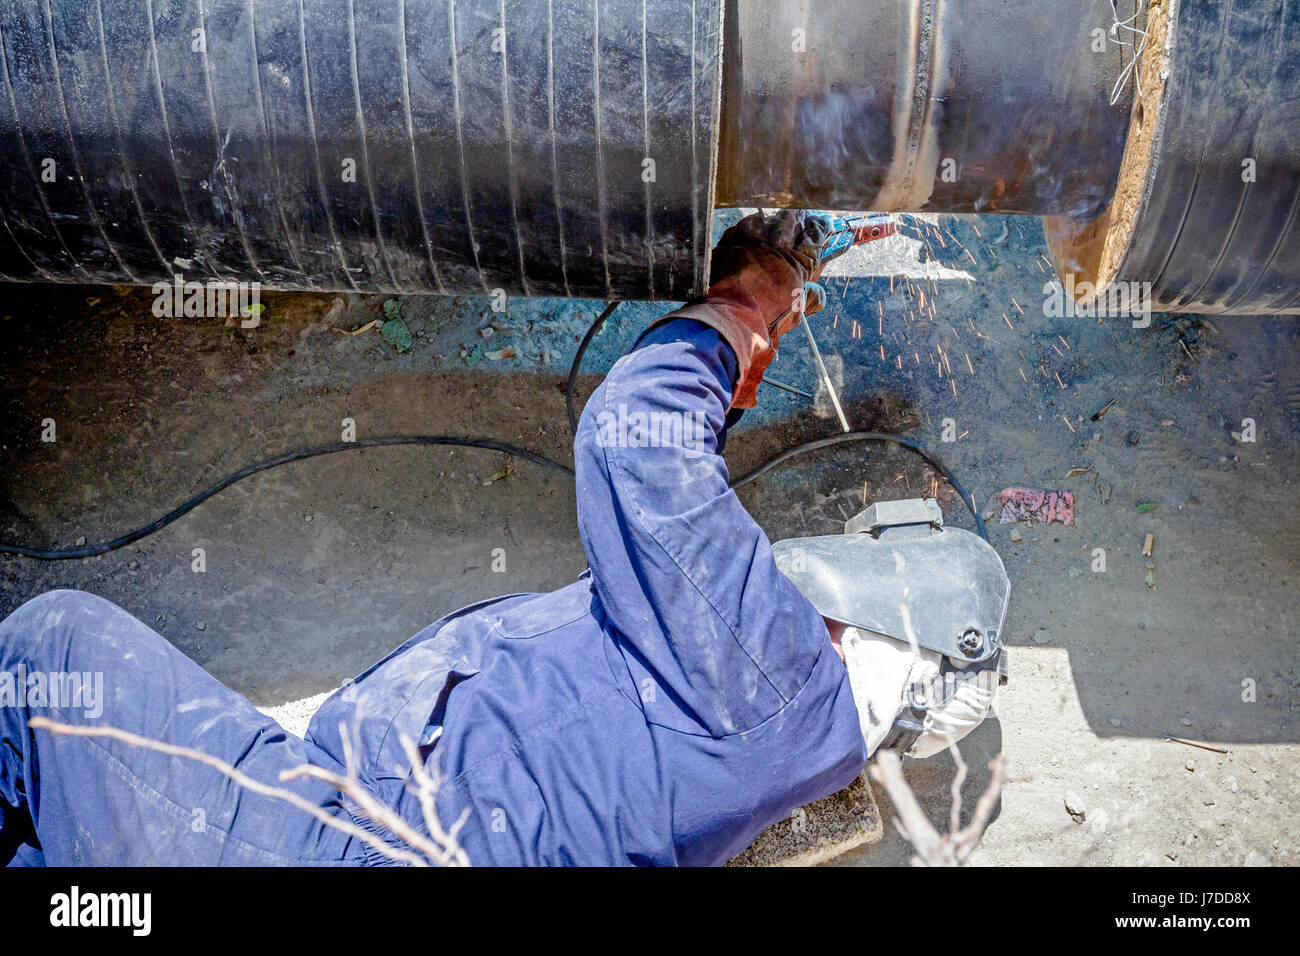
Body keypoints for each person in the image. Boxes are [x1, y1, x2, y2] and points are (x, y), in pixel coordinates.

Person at [0, 211, 993, 867]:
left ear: (890, 624)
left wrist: (744, 303)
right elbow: (675, 531)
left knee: (53, 647)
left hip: (333, 839)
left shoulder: (777, 664)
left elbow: (632, 440)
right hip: (361, 814)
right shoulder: (806, 731)